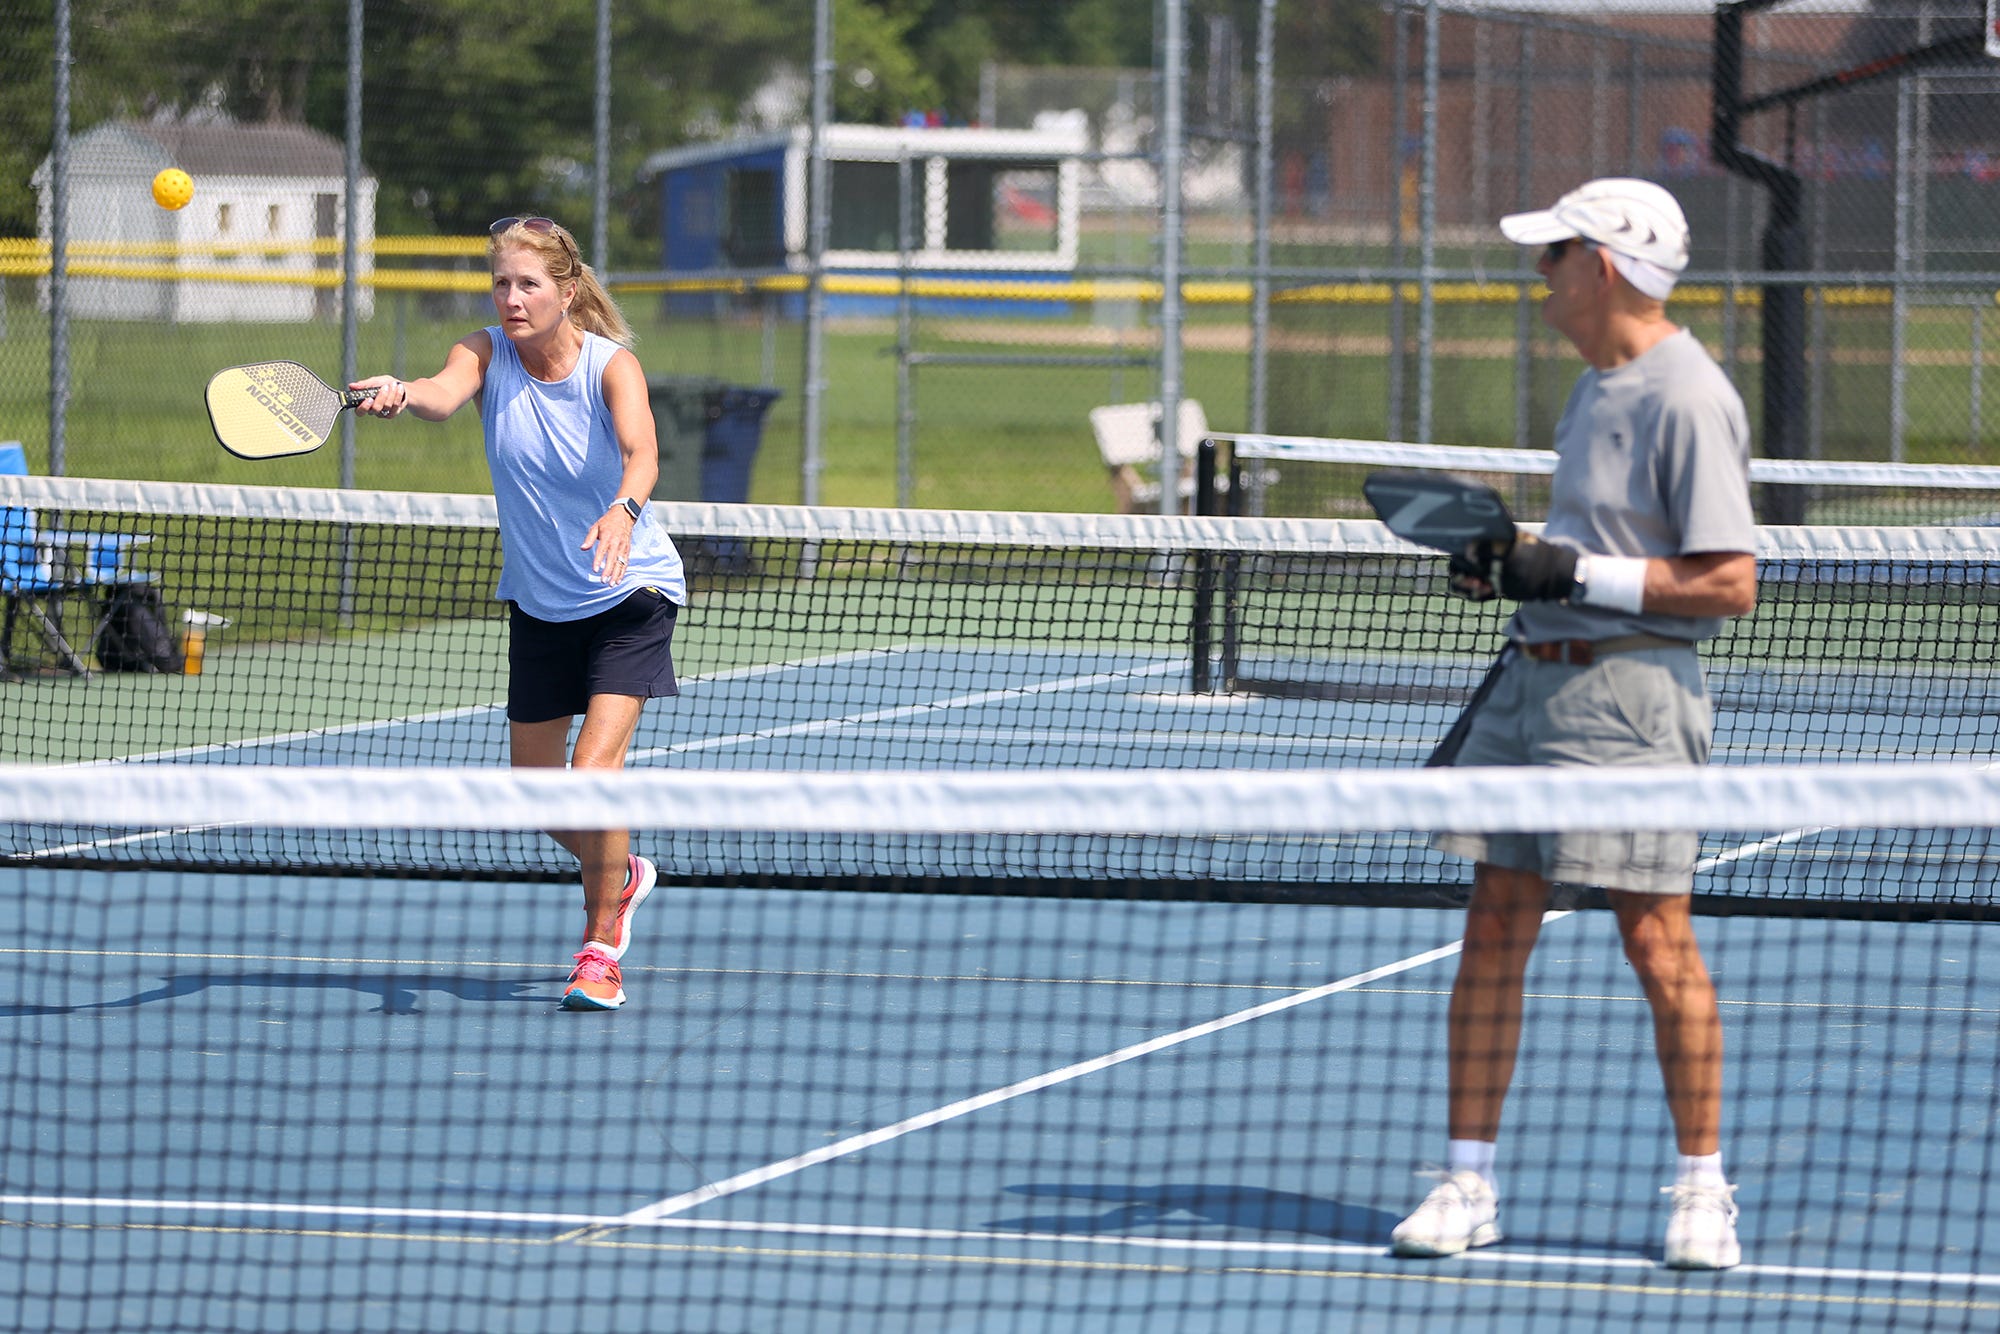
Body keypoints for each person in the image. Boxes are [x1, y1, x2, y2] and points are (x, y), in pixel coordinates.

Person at [1388, 179, 1759, 1270]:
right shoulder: (1591, 389)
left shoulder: (1685, 394)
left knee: (1654, 940)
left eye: (1551, 255)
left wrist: (1573, 569)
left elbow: (1727, 584)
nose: (1537, 275)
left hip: (1629, 701)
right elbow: (1583, 547)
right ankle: (1466, 1179)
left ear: (1601, 264)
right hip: (1529, 688)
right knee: (1491, 927)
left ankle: (1701, 1190)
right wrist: (1512, 570)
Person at [352, 215, 684, 1013]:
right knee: (536, 795)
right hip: (540, 603)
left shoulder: (612, 367)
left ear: (567, 292)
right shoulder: (485, 353)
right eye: (501, 282)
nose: (511, 297)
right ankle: (623, 871)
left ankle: (600, 949)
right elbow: (440, 393)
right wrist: (403, 392)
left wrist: (624, 512)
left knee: (590, 779)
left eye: (528, 283)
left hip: (628, 592)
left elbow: (644, 451)